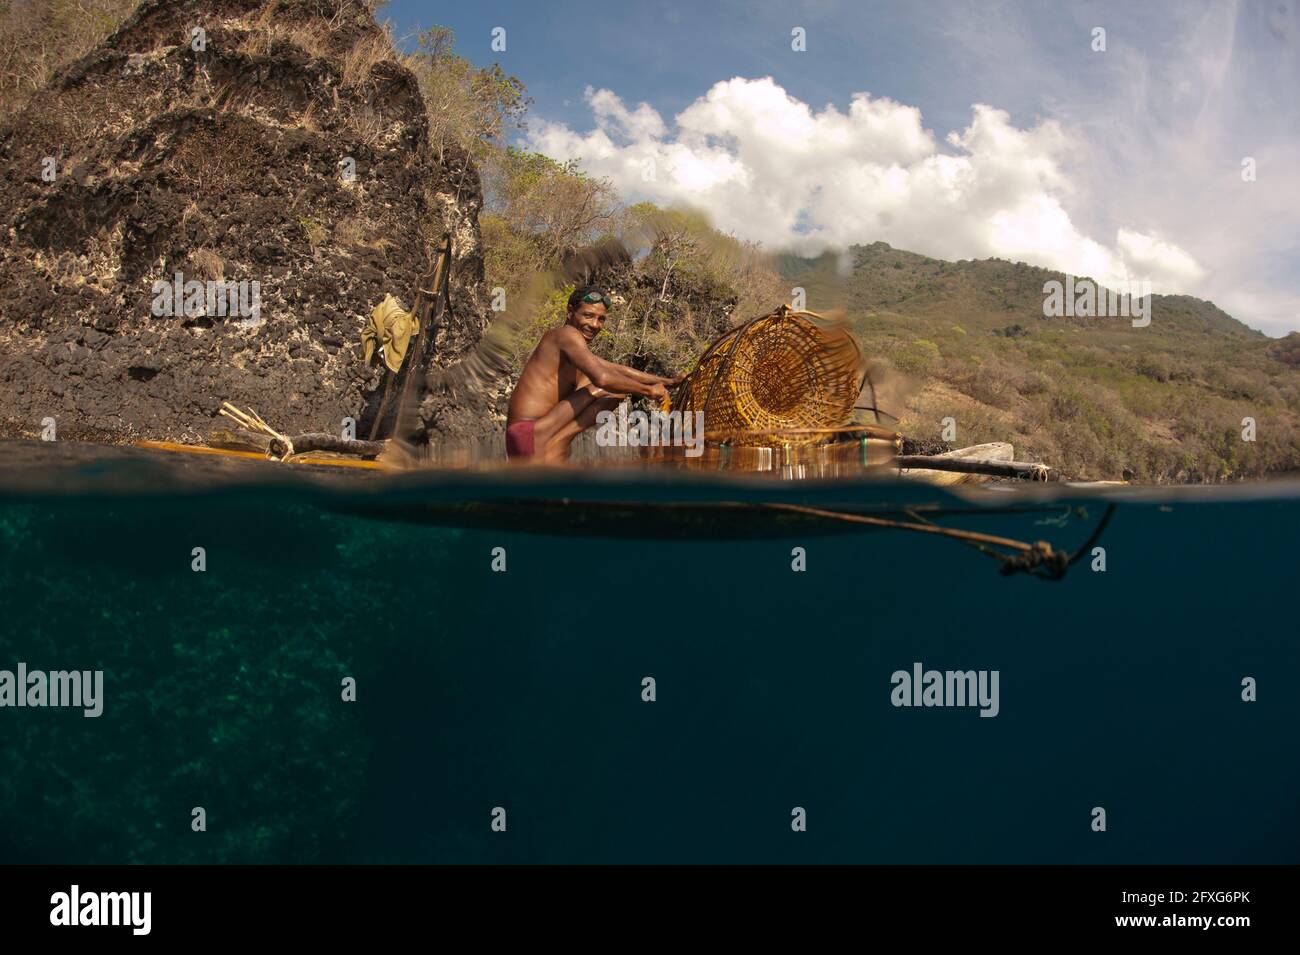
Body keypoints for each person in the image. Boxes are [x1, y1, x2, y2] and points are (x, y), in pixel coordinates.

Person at [506, 286, 682, 462]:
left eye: (601, 319)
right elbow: (603, 378)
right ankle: (558, 442)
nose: (595, 324)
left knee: (616, 388)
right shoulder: (566, 335)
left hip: (526, 438)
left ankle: (559, 442)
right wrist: (649, 391)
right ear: (570, 312)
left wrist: (669, 381)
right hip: (531, 432)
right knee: (611, 388)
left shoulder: (574, 352)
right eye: (588, 315)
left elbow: (619, 370)